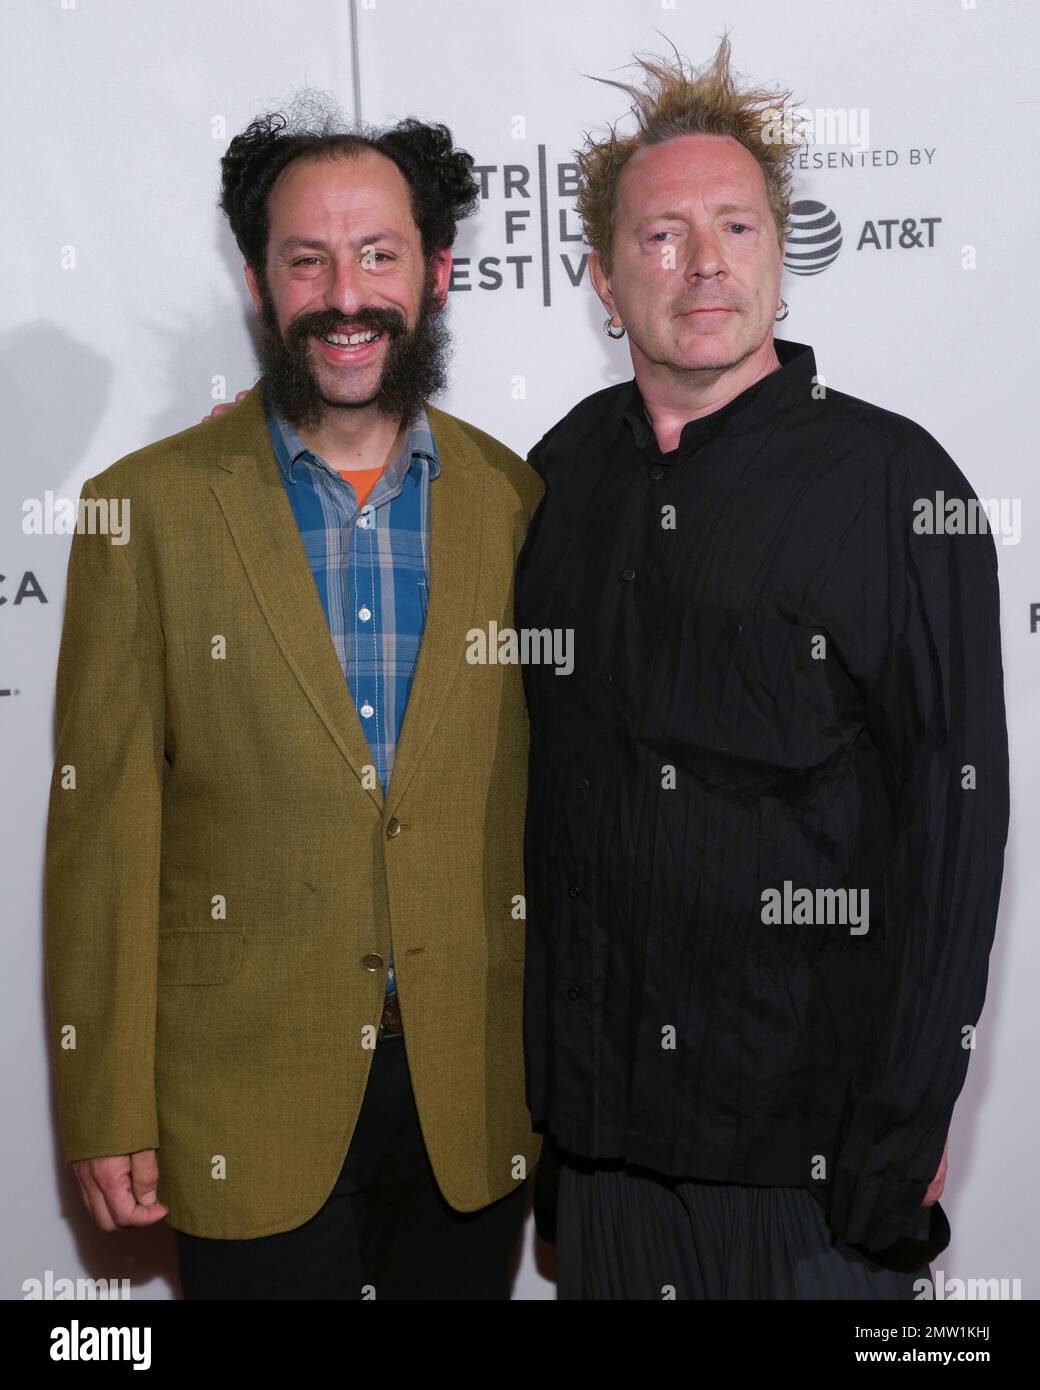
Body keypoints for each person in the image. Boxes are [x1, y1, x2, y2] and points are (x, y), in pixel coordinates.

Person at [516, 38, 1009, 1299]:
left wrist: (898, 1134)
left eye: (735, 226)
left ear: (780, 263)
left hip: (810, 1175)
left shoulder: (896, 488)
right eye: (662, 234)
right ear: (602, 278)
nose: (703, 263)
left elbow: (954, 835)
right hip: (605, 1165)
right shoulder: (557, 479)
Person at [44, 100, 543, 1300]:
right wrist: (104, 1099)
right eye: (305, 259)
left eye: (378, 253)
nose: (345, 293)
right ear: (260, 283)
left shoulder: (518, 501)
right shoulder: (146, 511)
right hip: (241, 1096)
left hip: (471, 1097)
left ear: (435, 271)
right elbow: (101, 829)